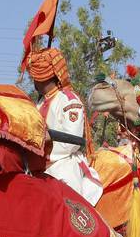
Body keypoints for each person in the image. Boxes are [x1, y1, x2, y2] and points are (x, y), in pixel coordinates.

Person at [25, 46, 102, 204]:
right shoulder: (38, 103)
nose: (33, 81)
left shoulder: (68, 100)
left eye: (34, 76)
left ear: (43, 77)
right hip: (38, 168)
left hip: (63, 165)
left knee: (69, 208)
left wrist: (44, 141)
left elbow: (71, 141)